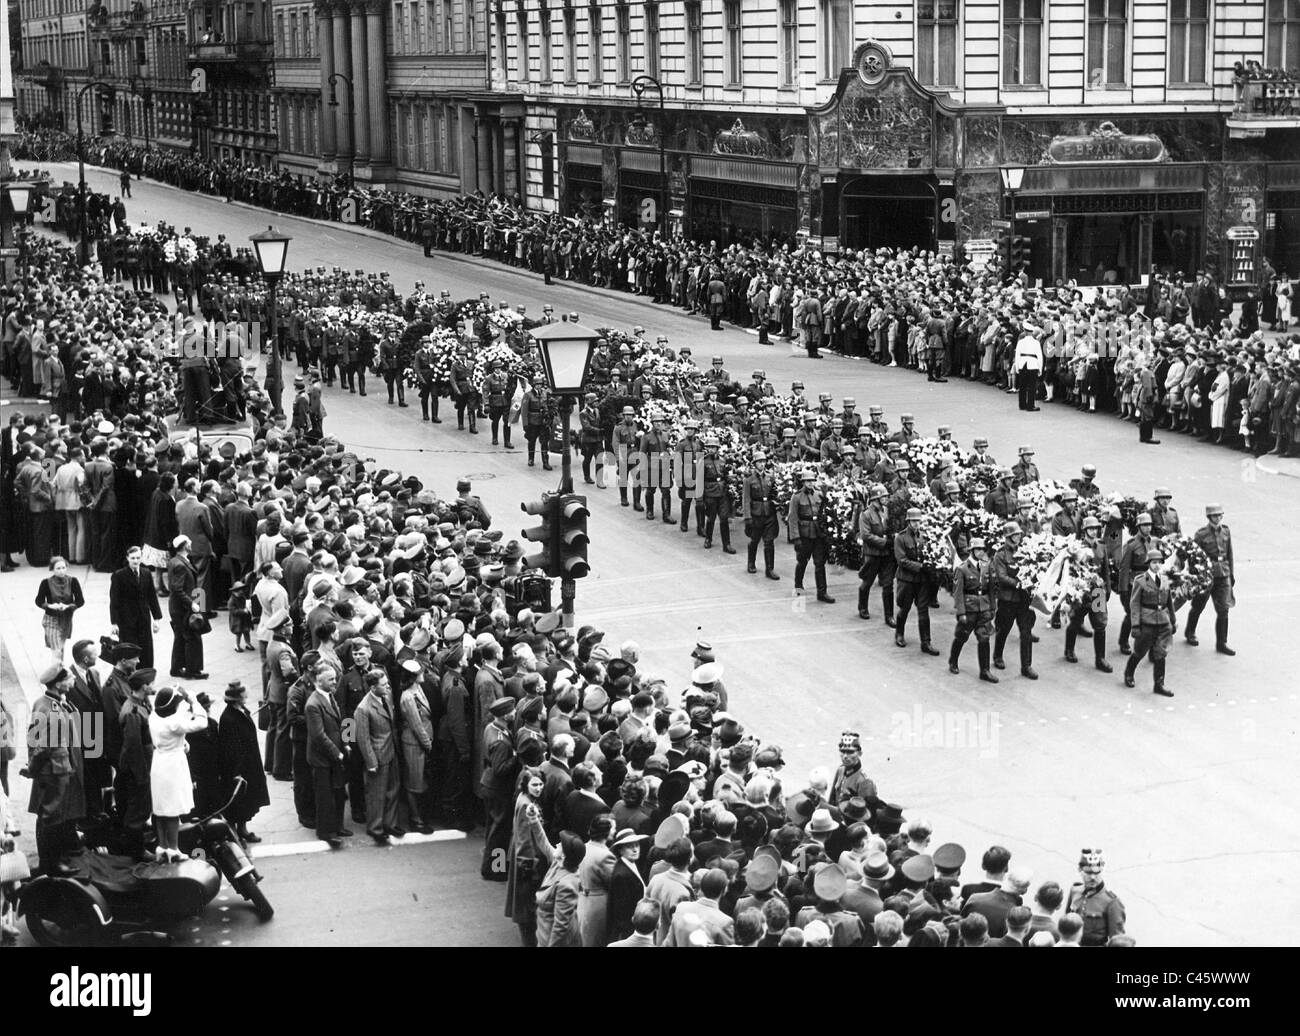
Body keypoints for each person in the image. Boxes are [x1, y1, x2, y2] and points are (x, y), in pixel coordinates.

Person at [22, 665, 86, 876]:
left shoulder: (56, 704)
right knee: (51, 818)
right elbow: (39, 744)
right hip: (53, 771)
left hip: (61, 769)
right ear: (59, 684)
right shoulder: (46, 707)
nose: (72, 681)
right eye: (69, 679)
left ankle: (55, 858)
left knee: (57, 817)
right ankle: (51, 864)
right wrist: (33, 768)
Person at [148, 685, 208, 861]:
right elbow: (201, 722)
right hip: (173, 765)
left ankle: (162, 846)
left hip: (159, 762)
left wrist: (181, 743)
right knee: (173, 809)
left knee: (160, 809)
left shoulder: (154, 717)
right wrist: (194, 701)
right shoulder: (174, 723)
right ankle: (174, 849)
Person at [506, 768, 555, 946]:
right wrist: (531, 866)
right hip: (527, 862)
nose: (539, 788)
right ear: (526, 785)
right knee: (527, 910)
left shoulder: (523, 798)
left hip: (524, 858)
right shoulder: (527, 804)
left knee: (524, 909)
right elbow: (525, 840)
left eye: (541, 784)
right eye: (534, 784)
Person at [217, 680, 271, 844]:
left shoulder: (241, 711)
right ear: (238, 697)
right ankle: (235, 833)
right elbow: (230, 748)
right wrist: (236, 771)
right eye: (244, 693)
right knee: (237, 802)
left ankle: (243, 829)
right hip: (238, 768)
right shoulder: (228, 718)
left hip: (249, 763)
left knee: (248, 801)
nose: (247, 694)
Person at [354, 668, 403, 844]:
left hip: (391, 752)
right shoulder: (363, 708)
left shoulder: (386, 697)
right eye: (383, 685)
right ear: (373, 687)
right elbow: (363, 738)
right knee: (376, 794)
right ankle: (375, 828)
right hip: (378, 756)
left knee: (393, 790)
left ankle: (390, 823)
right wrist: (371, 762)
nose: (388, 686)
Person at [305, 661, 350, 848]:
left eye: (334, 678)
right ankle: (326, 832)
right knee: (325, 797)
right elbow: (318, 736)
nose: (335, 682)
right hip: (323, 758)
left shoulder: (331, 696)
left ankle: (338, 826)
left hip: (336, 753)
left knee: (339, 792)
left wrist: (348, 742)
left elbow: (344, 719)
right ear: (318, 680)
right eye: (330, 679)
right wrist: (337, 753)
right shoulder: (313, 704)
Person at [1184, 503, 1235, 655]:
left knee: (1224, 609)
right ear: (1209, 517)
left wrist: (1231, 574)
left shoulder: (1226, 531)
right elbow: (1193, 556)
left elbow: (1229, 553)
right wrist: (1196, 577)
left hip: (1223, 574)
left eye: (1220, 515)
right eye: (1215, 516)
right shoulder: (1201, 534)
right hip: (1206, 574)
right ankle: (1190, 631)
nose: (1218, 518)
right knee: (1199, 605)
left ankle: (1222, 643)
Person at [1124, 544, 1174, 697]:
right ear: (1148, 564)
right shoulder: (1141, 580)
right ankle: (1129, 673)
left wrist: (1172, 619)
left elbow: (1169, 602)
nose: (1157, 565)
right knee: (1139, 651)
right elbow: (1134, 604)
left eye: (1159, 562)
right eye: (1153, 562)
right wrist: (1135, 625)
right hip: (1147, 622)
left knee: (1161, 653)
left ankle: (1159, 684)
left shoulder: (1165, 579)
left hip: (1163, 623)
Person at [948, 537, 998, 682]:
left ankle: (985, 670)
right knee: (962, 635)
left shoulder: (987, 566)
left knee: (984, 637)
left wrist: (992, 607)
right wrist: (961, 612)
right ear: (972, 551)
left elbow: (991, 590)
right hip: (969, 608)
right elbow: (958, 593)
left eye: (983, 549)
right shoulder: (962, 568)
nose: (981, 552)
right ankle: (953, 660)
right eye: (978, 549)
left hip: (984, 607)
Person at [992, 522, 1038, 679]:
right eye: (1015, 535)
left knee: (1026, 632)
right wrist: (1019, 583)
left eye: (1019, 534)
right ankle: (998, 655)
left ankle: (1026, 666)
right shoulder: (1000, 555)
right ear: (1008, 537)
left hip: (1024, 600)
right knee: (1004, 629)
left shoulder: (1026, 551)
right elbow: (1001, 576)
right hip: (1008, 599)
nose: (1018, 537)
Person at [108, 546, 163, 671]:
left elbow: (152, 598)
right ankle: (130, 678)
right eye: (132, 558)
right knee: (130, 651)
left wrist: (157, 619)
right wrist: (114, 623)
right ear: (127, 558)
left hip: (144, 618)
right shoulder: (119, 575)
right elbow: (114, 601)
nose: (135, 561)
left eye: (138, 558)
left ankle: (146, 677)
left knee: (147, 650)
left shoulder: (146, 573)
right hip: (127, 620)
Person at [397, 660, 436, 834]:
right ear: (413, 677)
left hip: (422, 741)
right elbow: (416, 725)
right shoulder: (407, 696)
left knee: (421, 780)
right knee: (414, 782)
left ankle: (419, 816)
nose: (423, 674)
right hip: (415, 743)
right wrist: (428, 744)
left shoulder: (417, 690)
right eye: (421, 672)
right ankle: (416, 819)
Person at [893, 507, 937, 654]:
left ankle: (926, 642)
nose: (916, 524)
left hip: (921, 581)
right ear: (908, 521)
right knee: (904, 608)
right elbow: (902, 561)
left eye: (918, 521)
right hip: (906, 580)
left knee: (923, 611)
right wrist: (920, 567)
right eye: (913, 521)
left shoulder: (924, 536)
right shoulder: (900, 538)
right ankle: (899, 634)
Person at [788, 468, 834, 603]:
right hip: (804, 535)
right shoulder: (796, 497)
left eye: (812, 481)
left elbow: (825, 513)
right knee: (802, 561)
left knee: (820, 563)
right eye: (807, 481)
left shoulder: (819, 495)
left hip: (818, 534)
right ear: (803, 482)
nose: (810, 483)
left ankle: (822, 592)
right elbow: (793, 518)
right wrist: (796, 538)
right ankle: (798, 586)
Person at [167, 534, 208, 680]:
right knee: (192, 638)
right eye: (189, 543)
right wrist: (192, 604)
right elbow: (177, 590)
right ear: (185, 546)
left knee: (180, 638)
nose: (191, 544)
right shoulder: (180, 565)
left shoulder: (175, 561)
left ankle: (176, 668)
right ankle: (193, 670)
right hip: (183, 608)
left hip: (177, 608)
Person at [534, 831, 585, 947]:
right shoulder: (560, 862)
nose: (557, 844)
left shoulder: (566, 884)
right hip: (544, 931)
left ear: (564, 855)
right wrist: (533, 820)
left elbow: (561, 925)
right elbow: (544, 843)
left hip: (552, 940)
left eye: (560, 845)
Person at [1067, 849, 1126, 947]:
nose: (1093, 877)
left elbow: (1117, 941)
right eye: (1089, 872)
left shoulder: (1111, 902)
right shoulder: (1075, 891)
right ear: (1080, 870)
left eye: (1097, 873)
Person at [575, 814, 616, 947]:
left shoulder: (584, 847)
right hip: (598, 906)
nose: (615, 831)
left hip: (583, 900)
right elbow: (614, 883)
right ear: (606, 832)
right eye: (613, 828)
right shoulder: (605, 855)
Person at [35, 556, 84, 664]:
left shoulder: (73, 581)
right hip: (51, 619)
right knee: (56, 649)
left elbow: (80, 601)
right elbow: (39, 601)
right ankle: (56, 672)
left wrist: (69, 606)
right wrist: (49, 606)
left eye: (63, 567)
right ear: (52, 569)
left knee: (60, 646)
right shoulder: (46, 583)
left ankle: (59, 669)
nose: (61, 571)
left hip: (66, 619)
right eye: (58, 568)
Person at [857, 484, 894, 624]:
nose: (886, 499)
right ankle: (862, 607)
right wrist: (885, 542)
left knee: (888, 585)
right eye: (883, 497)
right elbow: (866, 535)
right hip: (873, 554)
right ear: (875, 499)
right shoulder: (865, 515)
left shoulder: (888, 511)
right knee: (867, 582)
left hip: (887, 555)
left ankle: (889, 616)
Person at [742, 450, 781, 580]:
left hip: (769, 512)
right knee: (755, 540)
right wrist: (747, 518)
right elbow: (746, 499)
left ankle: (769, 569)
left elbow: (775, 494)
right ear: (754, 464)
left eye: (763, 462)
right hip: (756, 513)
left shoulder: (770, 477)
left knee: (769, 541)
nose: (762, 464)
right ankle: (751, 562)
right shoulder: (749, 480)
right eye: (759, 462)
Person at [606, 827, 650, 943]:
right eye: (630, 847)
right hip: (629, 931)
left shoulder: (631, 864)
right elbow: (622, 912)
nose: (635, 849)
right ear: (620, 850)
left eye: (637, 845)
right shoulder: (621, 874)